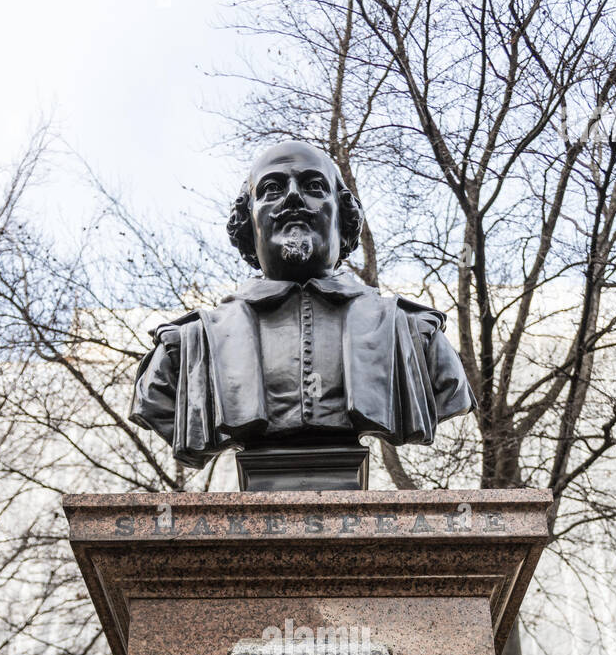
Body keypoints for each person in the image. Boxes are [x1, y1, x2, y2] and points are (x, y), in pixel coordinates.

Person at [130, 140, 474, 467]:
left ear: (343, 217)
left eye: (313, 187)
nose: (293, 198)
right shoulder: (187, 347)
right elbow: (157, 403)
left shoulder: (414, 336)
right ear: (249, 221)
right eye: (272, 189)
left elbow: (450, 390)